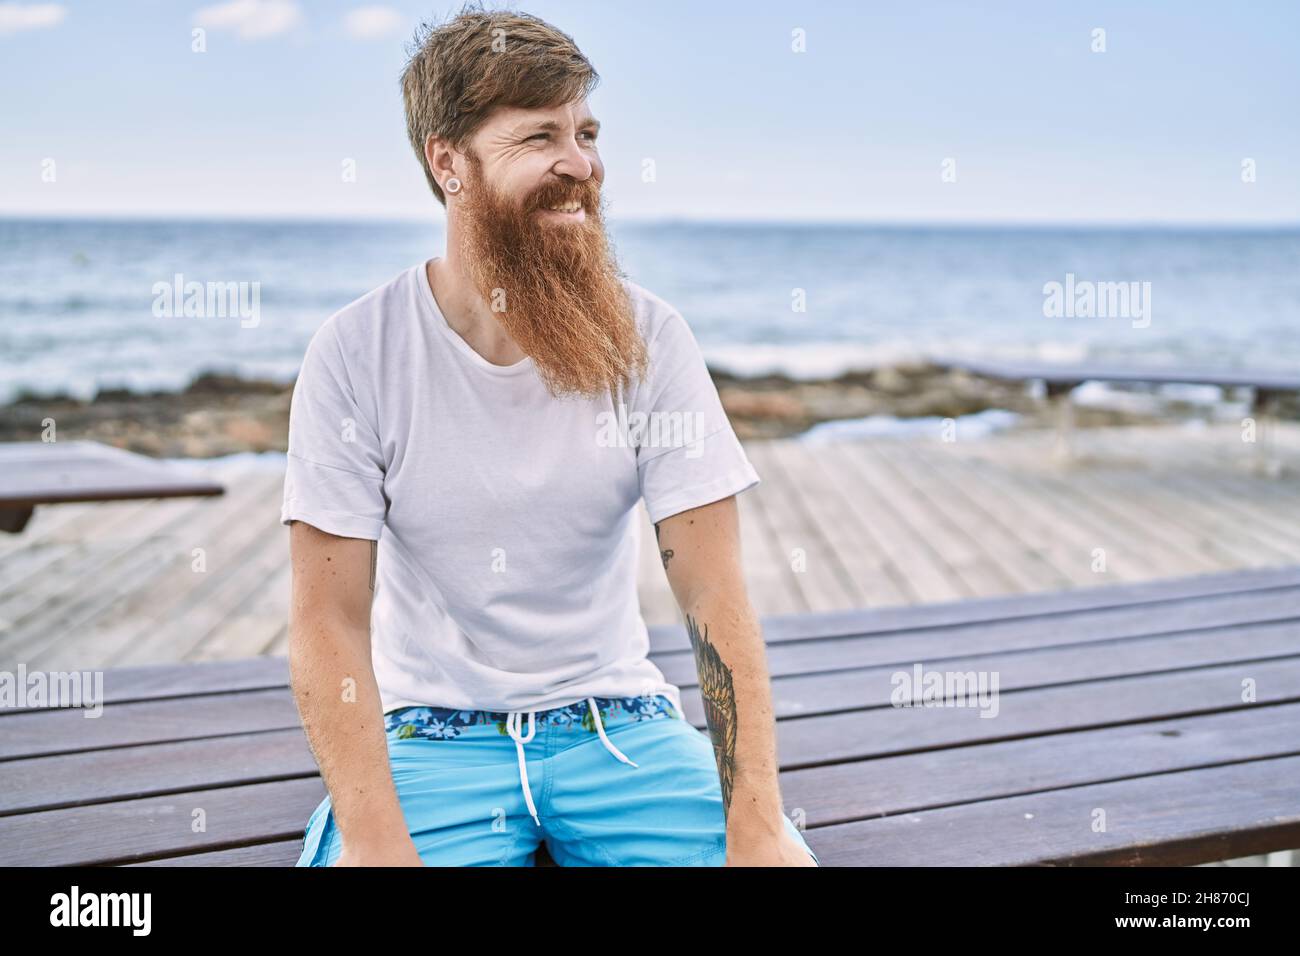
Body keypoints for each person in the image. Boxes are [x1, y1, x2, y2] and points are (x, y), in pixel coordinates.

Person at [283, 4, 818, 867]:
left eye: (588, 131)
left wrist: (754, 828)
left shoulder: (650, 337)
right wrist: (379, 848)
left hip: (618, 726)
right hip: (431, 737)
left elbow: (714, 596)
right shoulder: (355, 353)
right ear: (448, 163)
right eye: (540, 137)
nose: (582, 165)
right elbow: (328, 623)